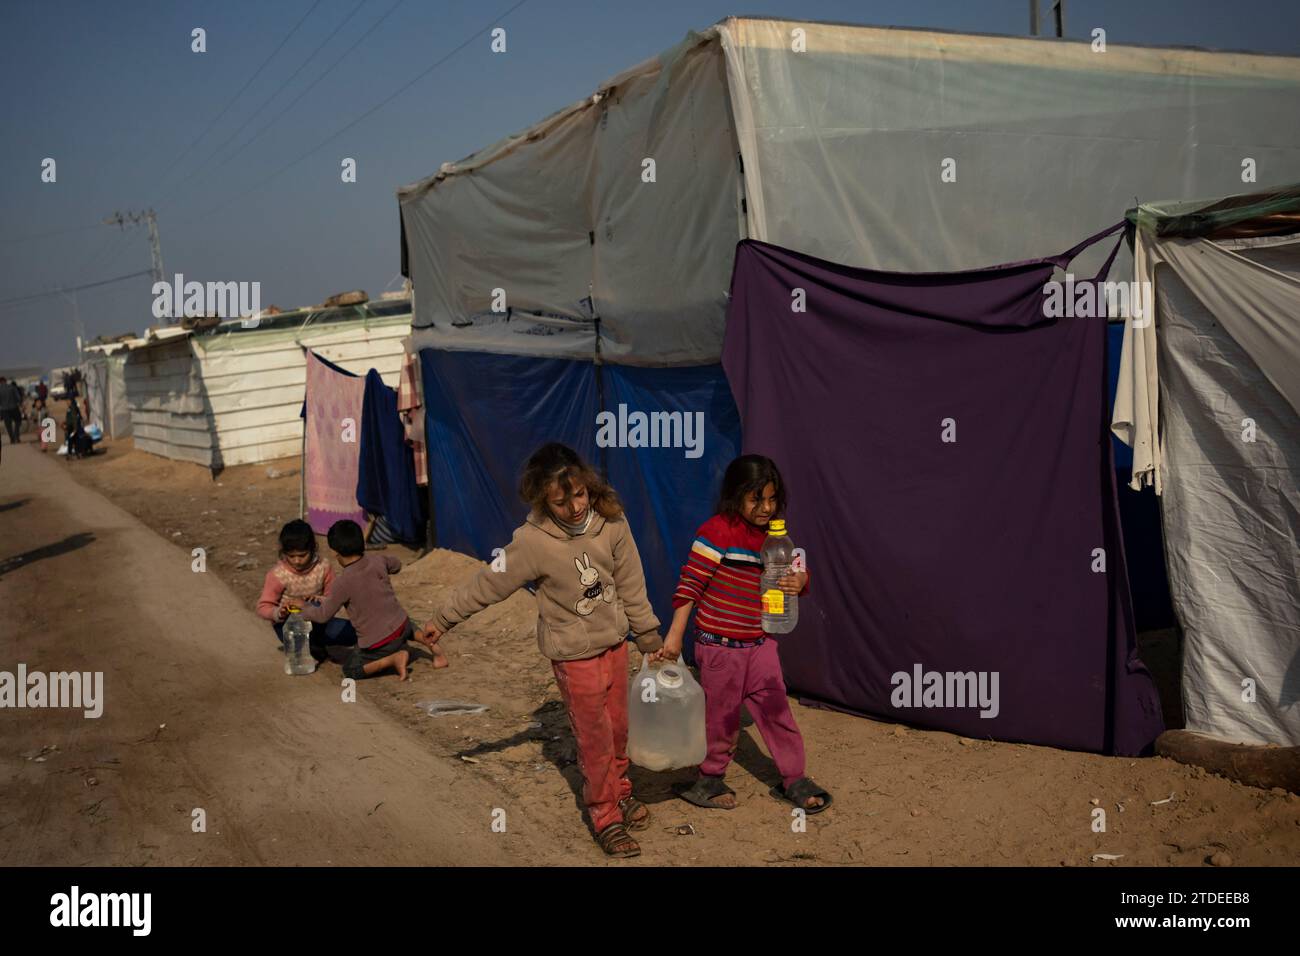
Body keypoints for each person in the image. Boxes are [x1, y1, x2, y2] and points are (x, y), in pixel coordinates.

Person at [419, 443, 664, 858]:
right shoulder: (531, 543)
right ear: (541, 499)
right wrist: (443, 618)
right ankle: (605, 815)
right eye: (560, 500)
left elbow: (631, 582)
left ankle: (621, 791)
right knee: (595, 737)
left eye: (580, 494)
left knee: (619, 728)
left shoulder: (611, 521)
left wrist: (648, 635)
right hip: (573, 654)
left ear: (588, 485)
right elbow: (489, 582)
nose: (573, 507)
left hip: (615, 646)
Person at [656, 454, 832, 814]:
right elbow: (690, 585)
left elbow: (794, 575)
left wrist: (800, 581)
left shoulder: (776, 538)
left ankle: (794, 778)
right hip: (720, 646)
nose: (766, 507)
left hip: (761, 642)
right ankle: (709, 777)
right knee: (721, 715)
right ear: (736, 497)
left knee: (776, 709)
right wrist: (674, 637)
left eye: (771, 498)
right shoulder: (716, 533)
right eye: (756, 499)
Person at [298, 519, 440, 680]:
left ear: (335, 552)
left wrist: (303, 607)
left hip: (381, 643)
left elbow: (322, 616)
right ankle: (426, 641)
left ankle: (392, 659)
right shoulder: (377, 560)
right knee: (403, 620)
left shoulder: (343, 582)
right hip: (402, 626)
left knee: (351, 670)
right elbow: (397, 564)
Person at [257, 519, 358, 665]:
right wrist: (279, 612)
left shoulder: (323, 567)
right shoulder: (277, 574)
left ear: (313, 549)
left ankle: (315, 647)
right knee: (302, 645)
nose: (297, 561)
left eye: (302, 555)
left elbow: (334, 598)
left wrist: (319, 599)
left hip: (319, 620)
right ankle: (311, 650)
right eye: (291, 556)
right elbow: (263, 607)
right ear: (283, 553)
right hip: (289, 627)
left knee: (356, 631)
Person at [0, 377, 23, 445]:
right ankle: (17, 436)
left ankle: (12, 439)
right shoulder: (12, 387)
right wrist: (19, 403)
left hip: (4, 410)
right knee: (18, 422)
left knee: (8, 425)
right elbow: (18, 398)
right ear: (5, 381)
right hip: (14, 408)